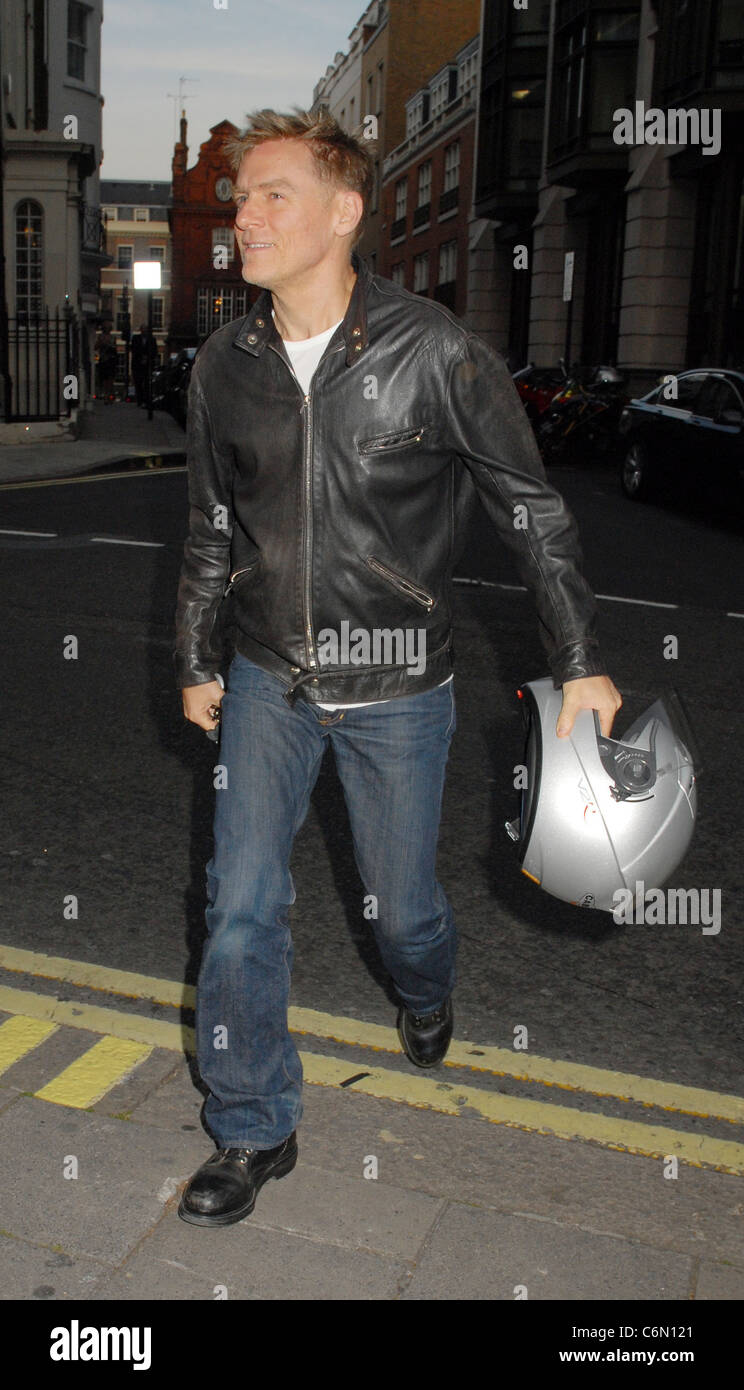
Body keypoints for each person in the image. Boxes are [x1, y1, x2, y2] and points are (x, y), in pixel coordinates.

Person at [173, 108, 622, 1228]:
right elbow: (211, 527)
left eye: (275, 194)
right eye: (242, 198)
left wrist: (582, 663)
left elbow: (533, 513)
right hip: (270, 676)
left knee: (406, 915)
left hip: (399, 688)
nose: (247, 217)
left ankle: (428, 994)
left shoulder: (439, 353)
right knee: (237, 909)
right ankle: (251, 1123)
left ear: (344, 211)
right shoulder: (226, 364)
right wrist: (194, 653)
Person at [95, 326, 118, 403]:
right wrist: (101, 343)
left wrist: (110, 346)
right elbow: (95, 347)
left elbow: (115, 348)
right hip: (103, 360)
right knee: (104, 379)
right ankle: (106, 395)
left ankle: (109, 395)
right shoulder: (100, 337)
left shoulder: (112, 337)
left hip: (111, 360)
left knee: (110, 378)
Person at [130, 324, 151, 407]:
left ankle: (145, 401)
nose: (144, 331)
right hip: (137, 365)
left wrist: (147, 357)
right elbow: (133, 349)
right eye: (143, 329)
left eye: (145, 329)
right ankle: (139, 401)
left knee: (146, 384)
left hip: (147, 365)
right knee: (138, 383)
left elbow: (154, 351)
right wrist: (141, 356)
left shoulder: (151, 339)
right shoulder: (135, 338)